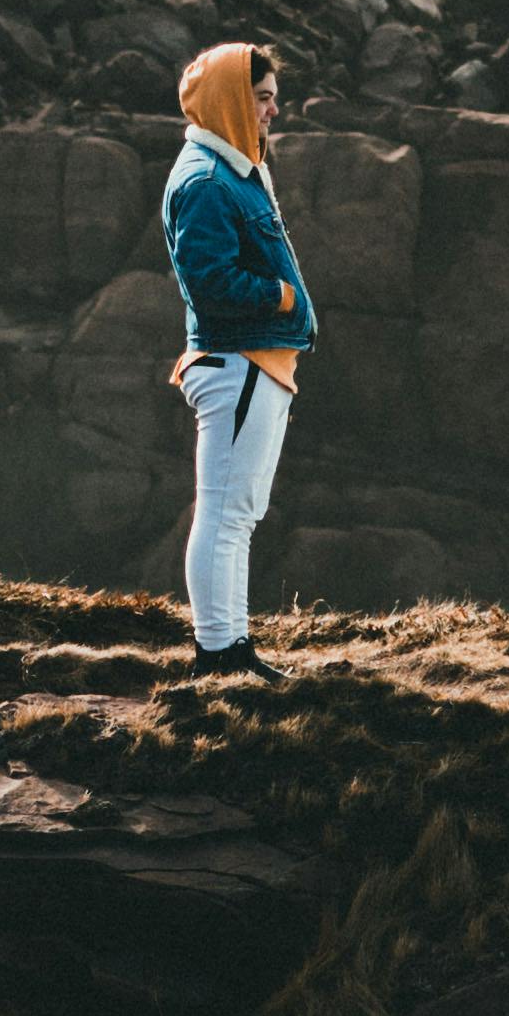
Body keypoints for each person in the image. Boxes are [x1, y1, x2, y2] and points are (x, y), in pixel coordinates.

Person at [164, 36, 316, 672]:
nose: (273, 110)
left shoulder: (233, 170)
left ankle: (233, 647)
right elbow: (210, 283)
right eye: (262, 97)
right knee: (225, 516)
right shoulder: (206, 181)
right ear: (231, 99)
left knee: (238, 516)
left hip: (255, 365)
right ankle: (216, 652)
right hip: (238, 364)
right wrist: (282, 296)